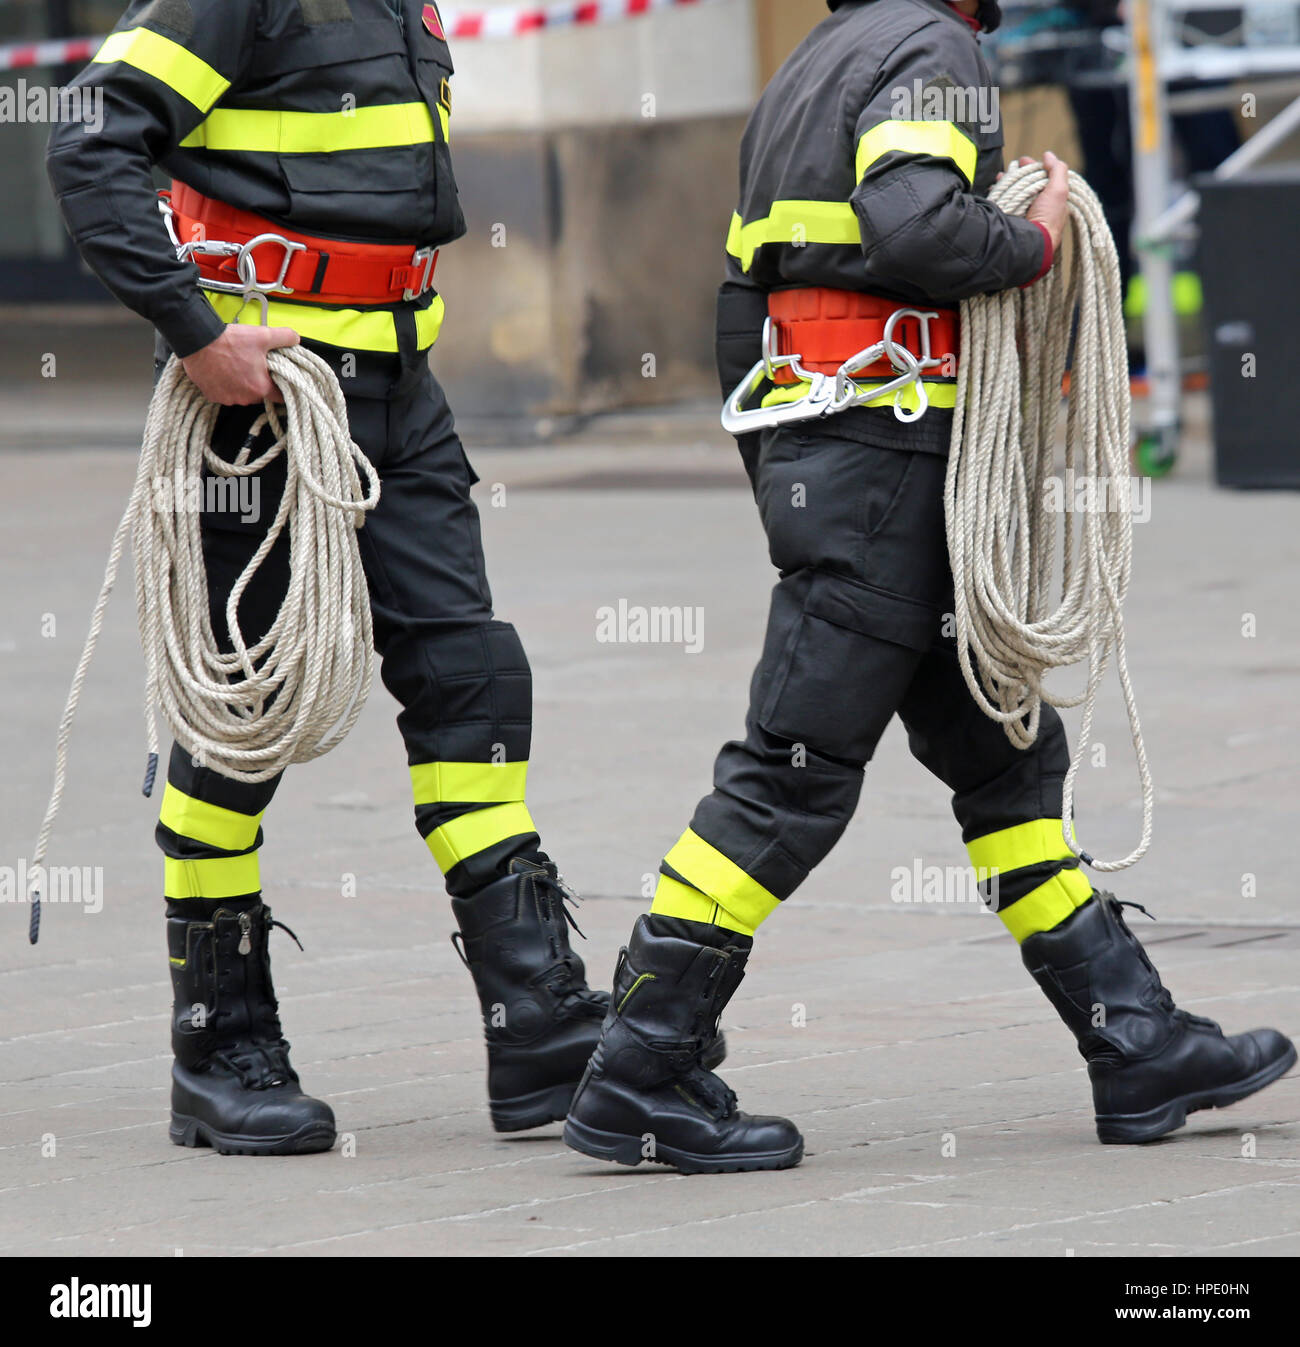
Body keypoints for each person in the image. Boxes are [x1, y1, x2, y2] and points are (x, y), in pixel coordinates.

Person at [563, 0, 1295, 1174]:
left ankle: (1135, 1042)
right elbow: (912, 228)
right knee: (790, 772)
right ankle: (642, 1064)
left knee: (1008, 763)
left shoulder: (816, 61)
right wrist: (1037, 244)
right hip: (885, 469)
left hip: (857, 464)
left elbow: (739, 297)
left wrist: (789, 474)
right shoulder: (934, 48)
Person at [45, 0, 614, 1155]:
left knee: (471, 681)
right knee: (242, 711)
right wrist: (196, 329)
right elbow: (89, 135)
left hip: (399, 396)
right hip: (258, 407)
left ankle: (538, 1026)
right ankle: (217, 1045)